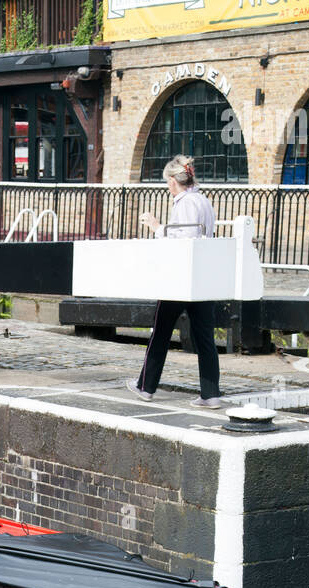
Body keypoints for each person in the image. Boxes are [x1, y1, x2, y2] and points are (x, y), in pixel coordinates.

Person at [127, 155, 223, 409]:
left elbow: (184, 240)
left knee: (161, 331)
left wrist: (157, 227)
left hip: (179, 277)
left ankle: (145, 386)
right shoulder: (203, 200)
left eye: (167, 182)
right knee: (205, 337)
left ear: (172, 181)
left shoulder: (185, 202)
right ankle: (211, 393)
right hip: (203, 278)